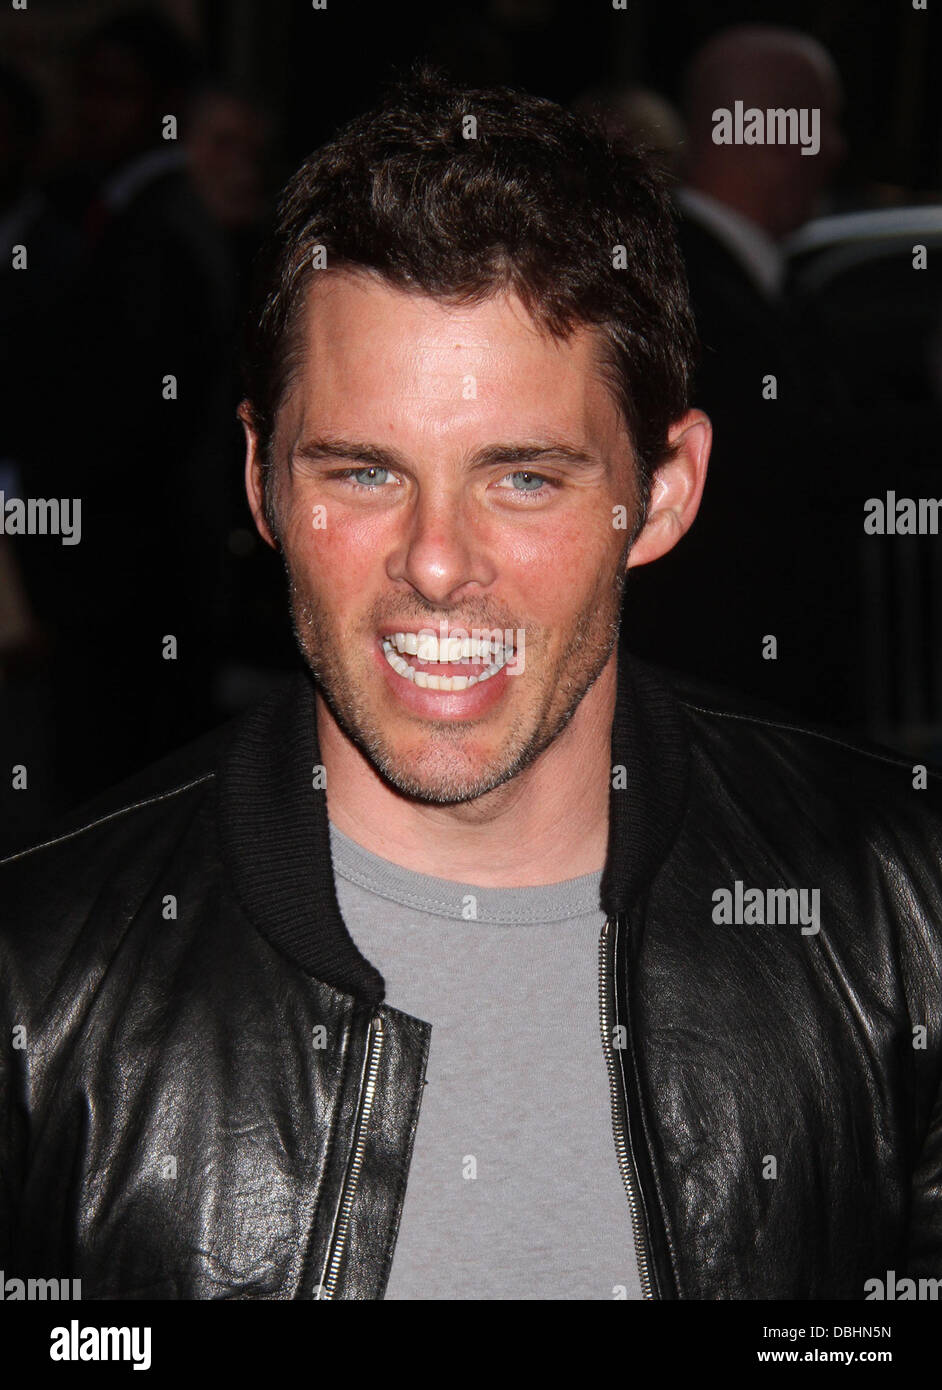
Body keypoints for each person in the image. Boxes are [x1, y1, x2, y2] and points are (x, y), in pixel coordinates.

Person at [1, 69, 940, 1302]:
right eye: (363, 472)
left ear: (662, 494)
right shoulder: (42, 988)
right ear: (263, 483)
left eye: (525, 479)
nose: (435, 564)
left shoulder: (900, 920)